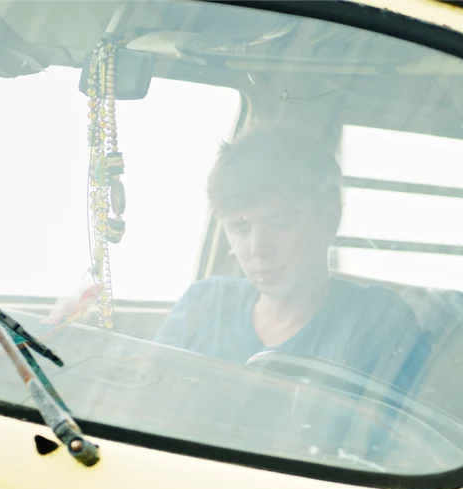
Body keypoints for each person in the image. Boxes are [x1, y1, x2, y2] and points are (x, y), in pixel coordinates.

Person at [153, 125, 428, 391]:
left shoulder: (378, 321)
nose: (258, 248)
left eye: (280, 222)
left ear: (330, 219)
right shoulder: (201, 305)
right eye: (240, 227)